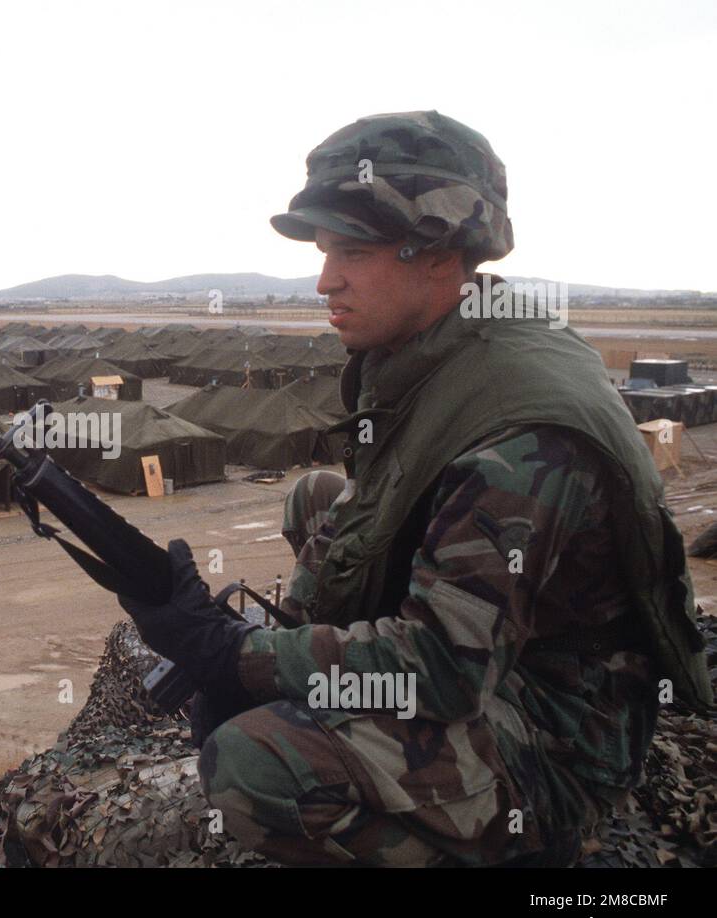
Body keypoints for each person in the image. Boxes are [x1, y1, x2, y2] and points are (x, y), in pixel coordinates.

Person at [120, 110, 712, 866]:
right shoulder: (445, 347)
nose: (325, 279)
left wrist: (240, 657)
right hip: (501, 664)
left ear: (439, 254)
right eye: (328, 250)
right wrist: (272, 653)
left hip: (554, 739)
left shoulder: (522, 438)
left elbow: (440, 668)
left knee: (256, 764)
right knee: (318, 497)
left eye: (354, 251)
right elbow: (373, 509)